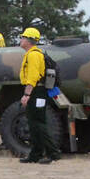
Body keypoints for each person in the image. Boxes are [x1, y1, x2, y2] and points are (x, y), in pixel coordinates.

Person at [16, 26, 61, 164]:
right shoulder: (31, 53)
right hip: (36, 92)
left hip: (36, 92)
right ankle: (36, 154)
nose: (21, 39)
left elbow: (33, 77)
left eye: (22, 37)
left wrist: (27, 94)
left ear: (29, 40)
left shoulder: (34, 55)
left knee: (39, 124)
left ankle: (53, 153)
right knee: (34, 124)